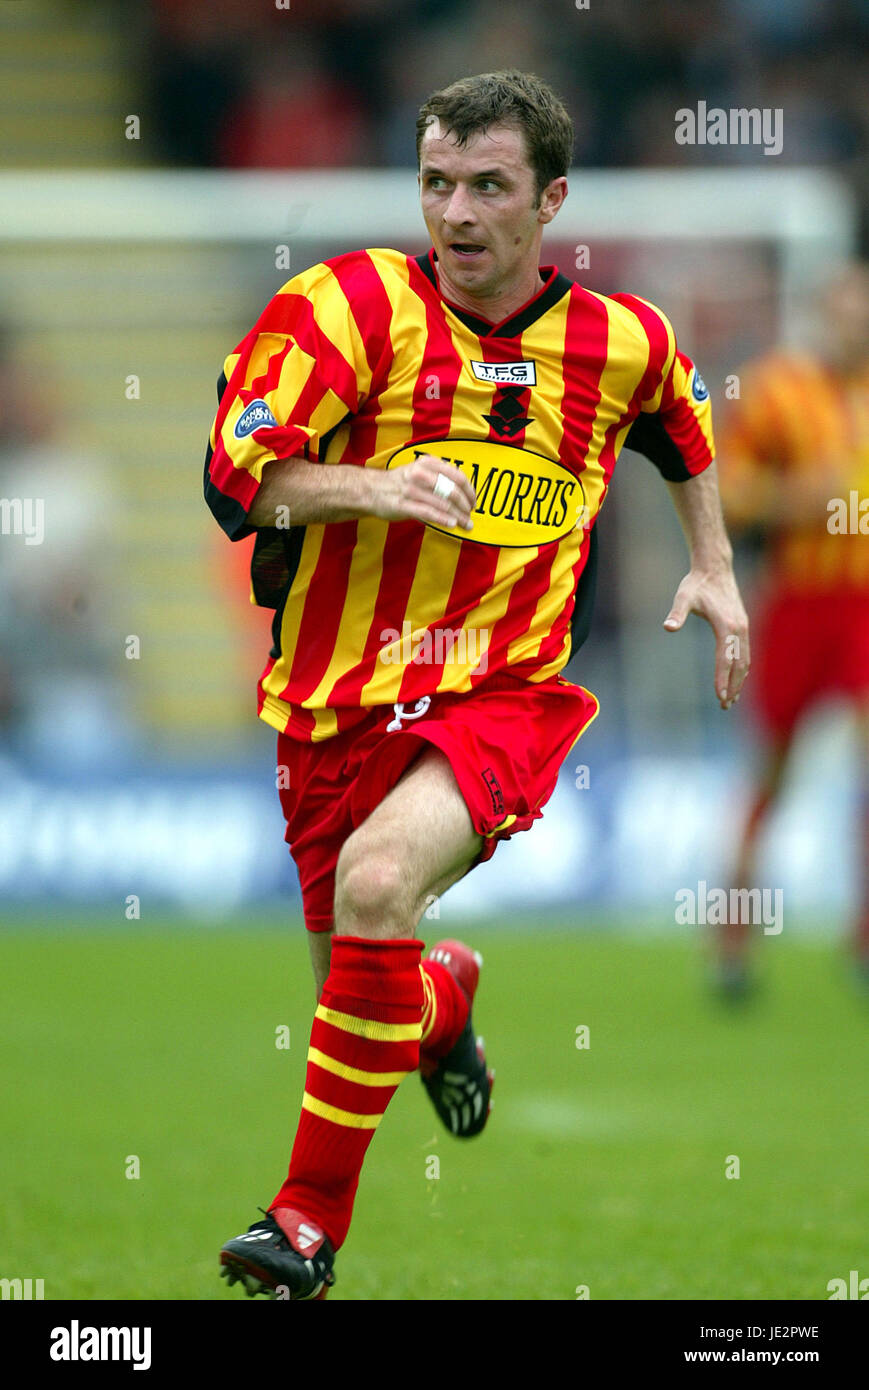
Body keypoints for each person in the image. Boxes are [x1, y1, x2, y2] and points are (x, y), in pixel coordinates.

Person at [204, 69, 749, 1300]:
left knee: (379, 881)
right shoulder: (346, 312)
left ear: (548, 199)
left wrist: (714, 567)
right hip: (330, 707)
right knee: (372, 993)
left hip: (498, 693)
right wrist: (372, 486)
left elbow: (682, 418)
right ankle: (443, 1005)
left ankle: (300, 1226)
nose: (456, 213)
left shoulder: (620, 341)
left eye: (488, 187)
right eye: (436, 183)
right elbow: (234, 474)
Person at [713, 263, 869, 998]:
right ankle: (733, 941)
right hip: (798, 601)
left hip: (864, 604)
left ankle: (862, 937)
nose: (857, 325)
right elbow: (727, 491)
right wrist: (796, 497)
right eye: (847, 311)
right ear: (822, 314)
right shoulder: (776, 390)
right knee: (769, 773)